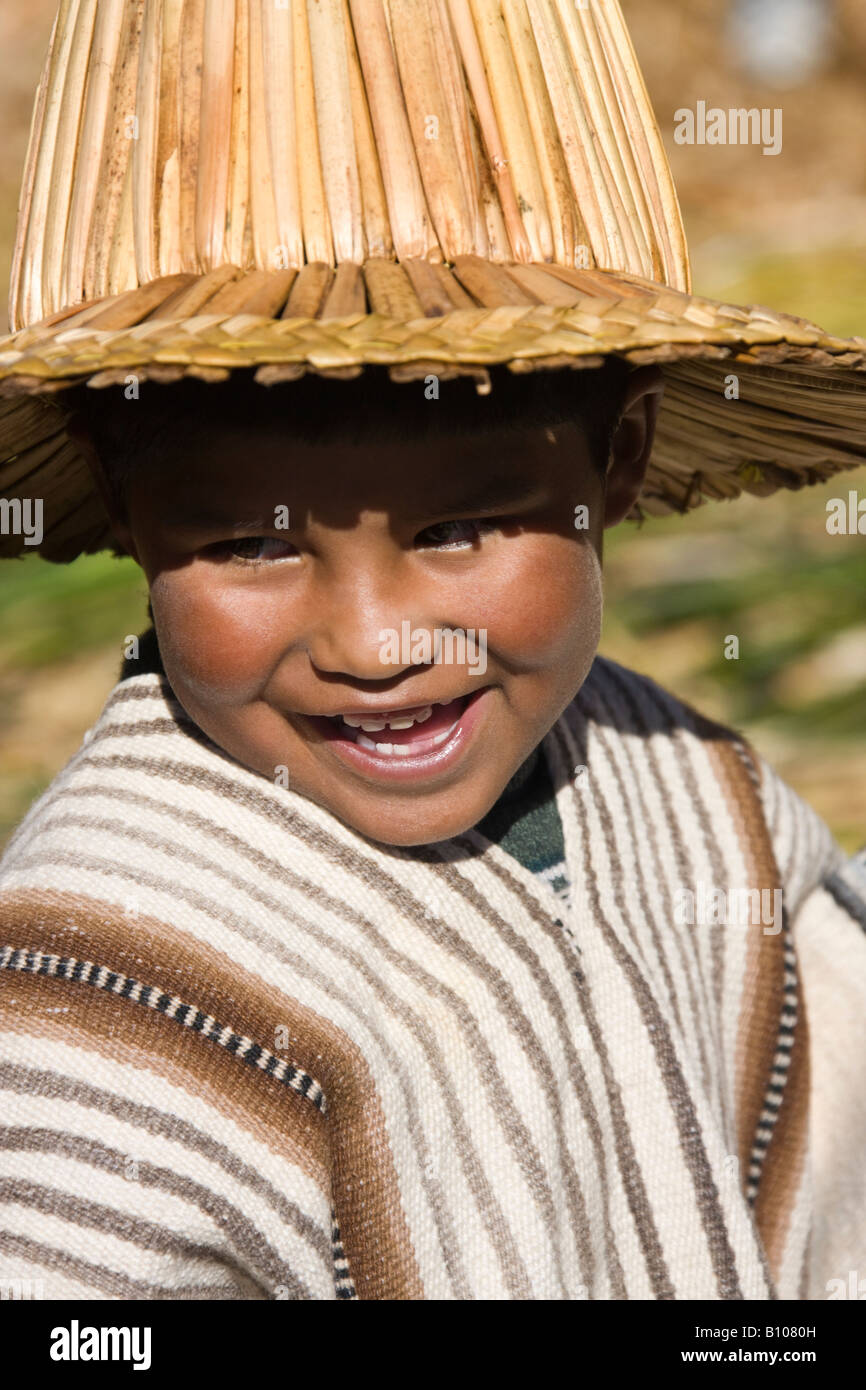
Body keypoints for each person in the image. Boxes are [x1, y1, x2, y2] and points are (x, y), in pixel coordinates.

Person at [0, 0, 864, 1301]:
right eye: (249, 545)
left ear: (614, 463)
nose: (373, 642)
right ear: (127, 511)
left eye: (460, 526)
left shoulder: (692, 793)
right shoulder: (99, 957)